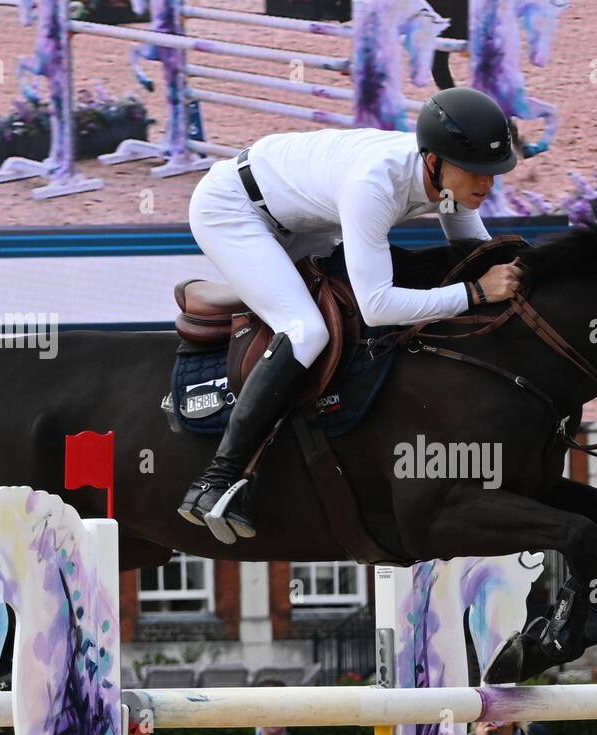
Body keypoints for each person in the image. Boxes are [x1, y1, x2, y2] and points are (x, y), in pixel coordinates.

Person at [179, 87, 524, 544]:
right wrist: (477, 293)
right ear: (434, 161)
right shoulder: (375, 185)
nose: (486, 184)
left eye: (494, 173)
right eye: (476, 172)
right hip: (233, 210)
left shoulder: (444, 181)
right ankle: (215, 482)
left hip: (303, 221)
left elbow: (475, 253)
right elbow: (379, 308)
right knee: (306, 332)